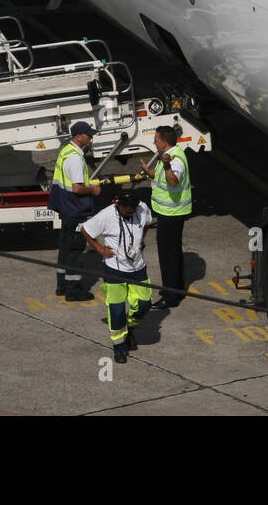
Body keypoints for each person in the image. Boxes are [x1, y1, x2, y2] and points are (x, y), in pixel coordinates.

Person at [81, 188, 153, 363]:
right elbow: (85, 229)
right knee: (116, 309)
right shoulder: (106, 215)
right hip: (114, 269)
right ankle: (119, 345)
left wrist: (140, 241)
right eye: (126, 209)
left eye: (132, 209)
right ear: (117, 204)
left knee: (144, 304)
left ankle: (129, 327)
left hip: (138, 267)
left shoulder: (142, 209)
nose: (130, 212)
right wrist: (99, 248)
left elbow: (147, 223)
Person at [139, 125, 191, 310]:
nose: (154, 142)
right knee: (174, 252)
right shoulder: (169, 154)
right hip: (170, 213)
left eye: (156, 139)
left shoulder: (174, 159)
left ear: (164, 142)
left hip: (171, 214)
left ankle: (170, 297)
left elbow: (173, 180)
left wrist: (167, 164)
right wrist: (148, 171)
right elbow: (161, 175)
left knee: (167, 255)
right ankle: (176, 289)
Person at [49, 121, 100, 301]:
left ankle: (62, 286)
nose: (91, 137)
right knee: (76, 251)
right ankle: (74, 290)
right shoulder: (75, 158)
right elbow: (77, 188)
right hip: (75, 210)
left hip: (66, 208)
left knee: (65, 249)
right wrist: (93, 190)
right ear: (79, 136)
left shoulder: (65, 151)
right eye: (88, 135)